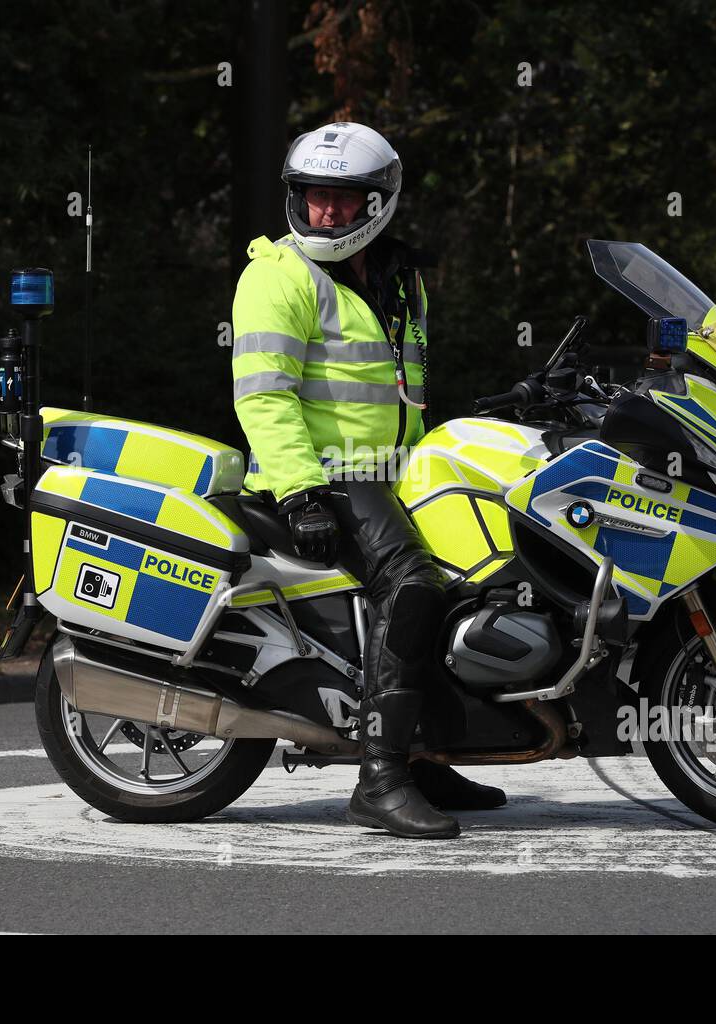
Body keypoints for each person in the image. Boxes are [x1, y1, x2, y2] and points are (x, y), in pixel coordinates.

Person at [230, 122, 505, 839]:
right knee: (413, 583)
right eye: (313, 196)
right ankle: (380, 777)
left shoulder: (401, 281)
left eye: (342, 199)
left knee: (470, 573)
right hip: (324, 479)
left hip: (392, 476)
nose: (324, 211)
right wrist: (299, 491)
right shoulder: (279, 276)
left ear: (379, 201)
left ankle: (426, 751)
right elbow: (264, 396)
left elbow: (402, 394)